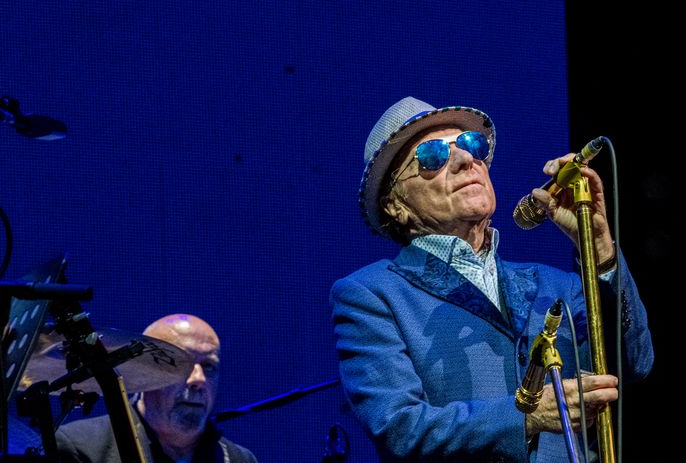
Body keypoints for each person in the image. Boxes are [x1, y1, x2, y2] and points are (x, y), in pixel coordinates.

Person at [330, 96, 654, 462]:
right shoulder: (373, 295)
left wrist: (598, 247)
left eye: (472, 146)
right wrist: (527, 418)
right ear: (396, 204)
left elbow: (634, 361)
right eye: (433, 155)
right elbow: (401, 428)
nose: (466, 159)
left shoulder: (557, 287)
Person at [55, 313, 258, 463]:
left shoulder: (239, 459)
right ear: (144, 372)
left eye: (209, 367)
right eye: (182, 364)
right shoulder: (79, 447)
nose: (199, 379)